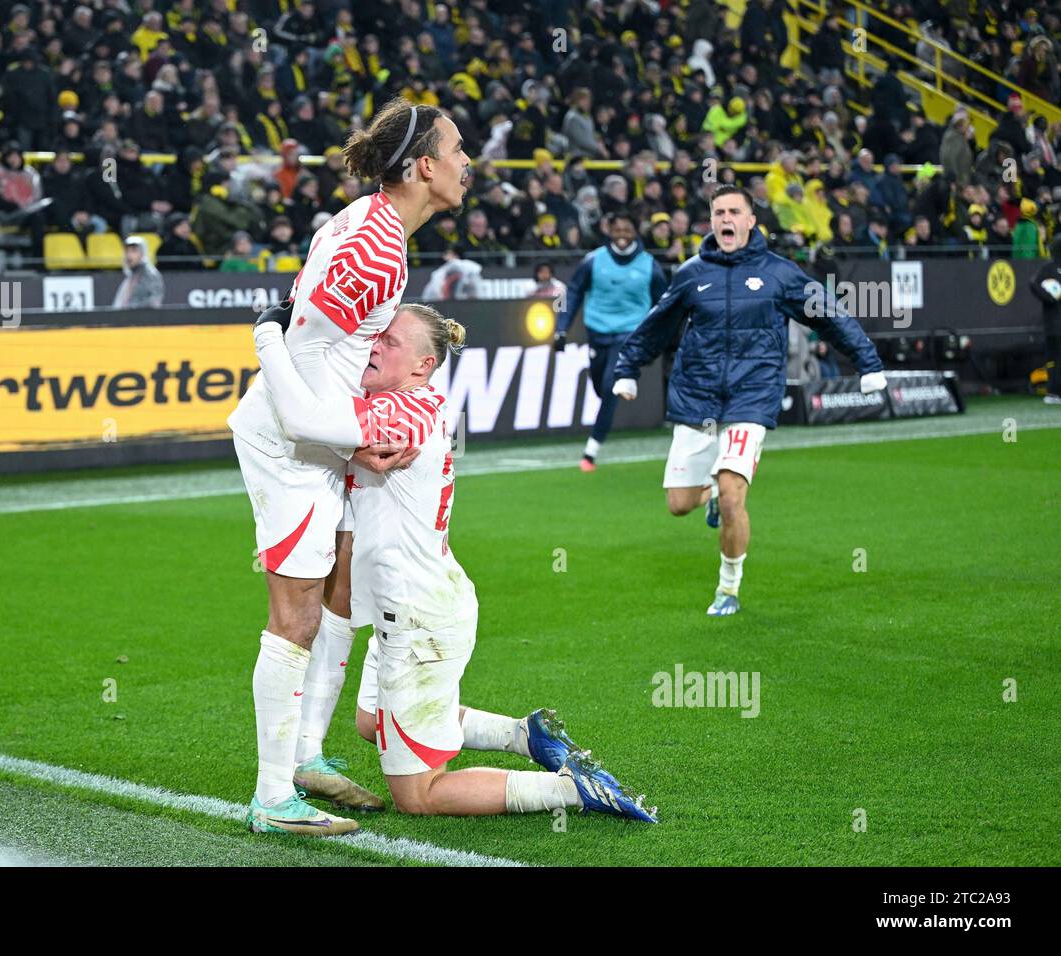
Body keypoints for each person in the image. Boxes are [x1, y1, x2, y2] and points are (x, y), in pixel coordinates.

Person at [252, 301, 658, 823]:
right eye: (376, 337)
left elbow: (300, 419)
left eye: (389, 342)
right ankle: (521, 734)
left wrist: (267, 336)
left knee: (419, 796)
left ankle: (572, 791)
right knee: (371, 718)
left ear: (423, 365)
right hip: (416, 604)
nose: (373, 346)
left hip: (420, 616)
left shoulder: (403, 410)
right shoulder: (410, 405)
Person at [225, 99, 471, 836]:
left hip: (321, 438)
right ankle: (273, 798)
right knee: (295, 616)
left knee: (340, 588)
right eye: (457, 150)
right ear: (423, 165)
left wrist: (348, 440)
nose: (468, 164)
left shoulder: (378, 230)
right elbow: (294, 362)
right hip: (292, 444)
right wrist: (346, 441)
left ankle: (305, 757)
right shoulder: (374, 244)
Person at [611, 184, 887, 616]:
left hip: (752, 395)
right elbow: (655, 326)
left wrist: (867, 363)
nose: (725, 219)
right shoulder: (691, 273)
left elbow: (829, 314)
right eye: (718, 212)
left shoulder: (780, 273)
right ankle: (712, 496)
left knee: (734, 491)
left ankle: (728, 588)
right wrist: (627, 369)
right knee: (679, 504)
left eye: (734, 211)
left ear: (751, 221)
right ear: (712, 221)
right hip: (698, 396)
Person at [553, 212, 667, 471]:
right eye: (618, 230)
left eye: (628, 230)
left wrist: (658, 338)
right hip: (598, 334)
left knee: (610, 384)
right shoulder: (594, 261)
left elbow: (665, 305)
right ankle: (605, 410)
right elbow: (573, 293)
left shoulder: (649, 265)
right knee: (601, 387)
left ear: (636, 232)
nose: (623, 236)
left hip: (629, 335)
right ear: (610, 232)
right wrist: (561, 330)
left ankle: (591, 450)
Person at [1028, 235, 1061, 405]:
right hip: (1054, 323)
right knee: (1054, 359)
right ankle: (1053, 392)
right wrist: (1049, 297)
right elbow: (1033, 284)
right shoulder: (1048, 268)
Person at [112, 235, 163, 309]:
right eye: (127, 251)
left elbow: (153, 302)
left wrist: (130, 310)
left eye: (134, 251)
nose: (129, 256)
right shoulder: (131, 275)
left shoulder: (150, 275)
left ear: (142, 253)